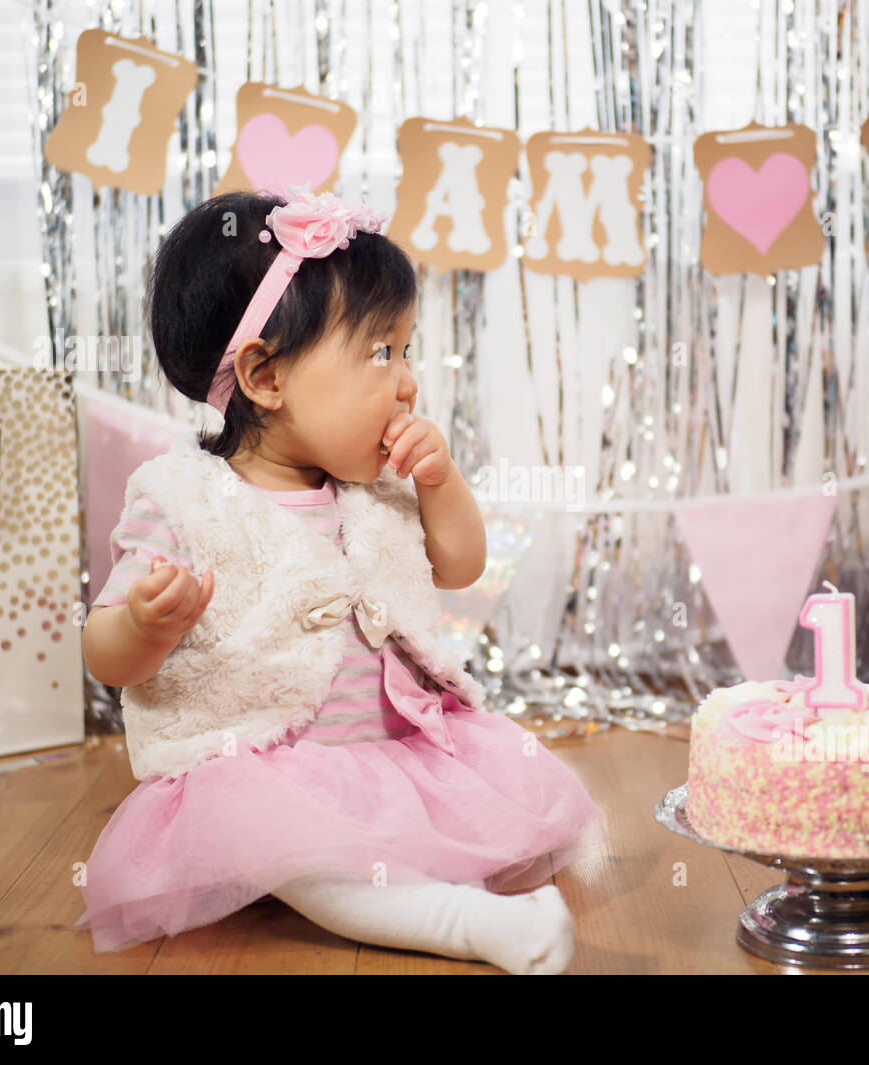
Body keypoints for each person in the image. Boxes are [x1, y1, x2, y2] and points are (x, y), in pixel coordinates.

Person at [75, 186, 604, 974]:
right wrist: (144, 625)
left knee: (484, 806)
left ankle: (432, 872)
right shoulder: (185, 500)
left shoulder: (377, 488)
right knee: (300, 852)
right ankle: (463, 924)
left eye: (407, 350)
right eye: (381, 353)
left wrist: (441, 483)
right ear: (265, 375)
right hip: (261, 770)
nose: (407, 383)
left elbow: (460, 565)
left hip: (394, 750)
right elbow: (104, 651)